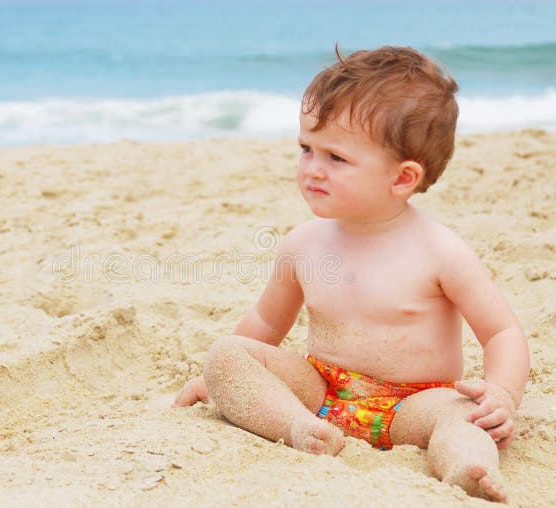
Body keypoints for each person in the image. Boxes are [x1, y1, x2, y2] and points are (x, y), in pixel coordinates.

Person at [172, 45, 529, 503]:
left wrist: (502, 393)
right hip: (319, 390)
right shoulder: (303, 244)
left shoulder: (440, 252)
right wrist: (221, 381)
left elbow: (502, 332)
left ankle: (463, 468)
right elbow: (265, 325)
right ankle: (298, 429)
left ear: (402, 178)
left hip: (414, 403)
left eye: (335, 158)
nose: (311, 170)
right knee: (226, 355)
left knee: (463, 417)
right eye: (306, 149)